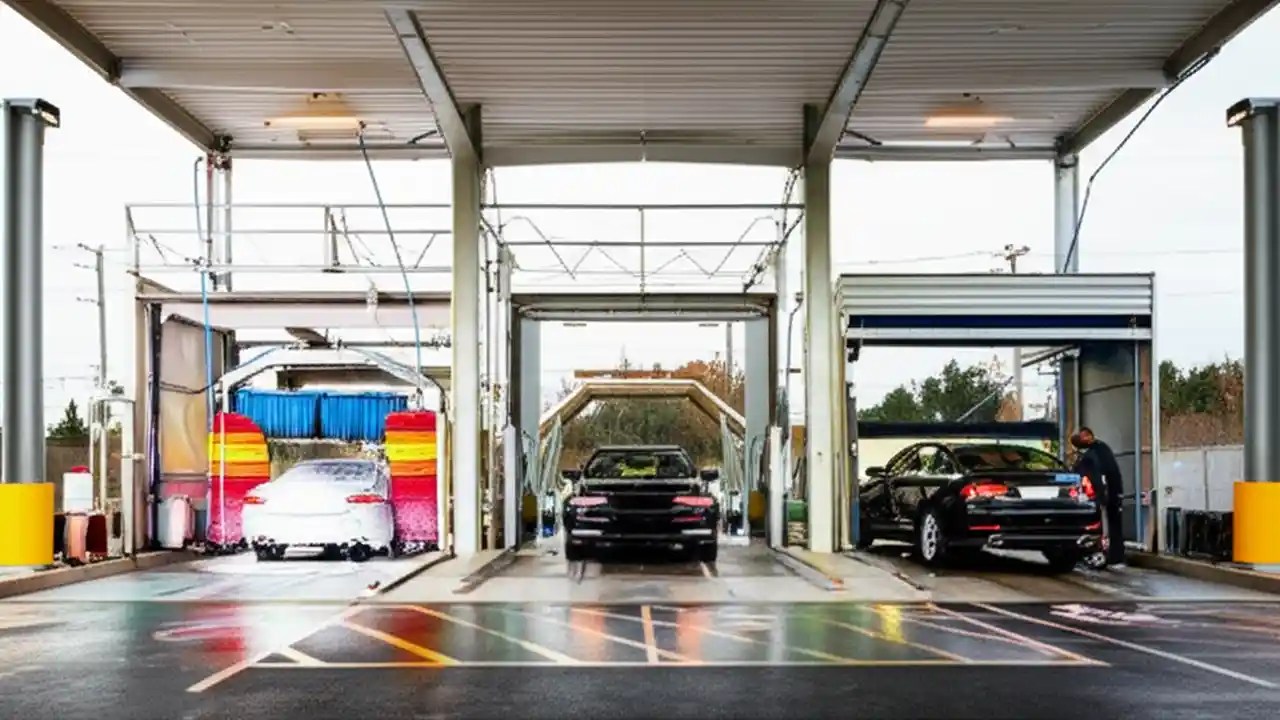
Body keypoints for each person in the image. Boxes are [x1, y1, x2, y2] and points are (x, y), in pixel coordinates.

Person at [1070, 427, 1126, 567]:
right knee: (1112, 524)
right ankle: (1113, 555)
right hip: (1108, 492)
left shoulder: (1093, 454)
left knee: (1108, 524)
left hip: (1105, 493)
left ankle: (1111, 555)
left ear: (1089, 436)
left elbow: (1095, 475)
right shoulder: (1100, 449)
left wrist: (1101, 496)